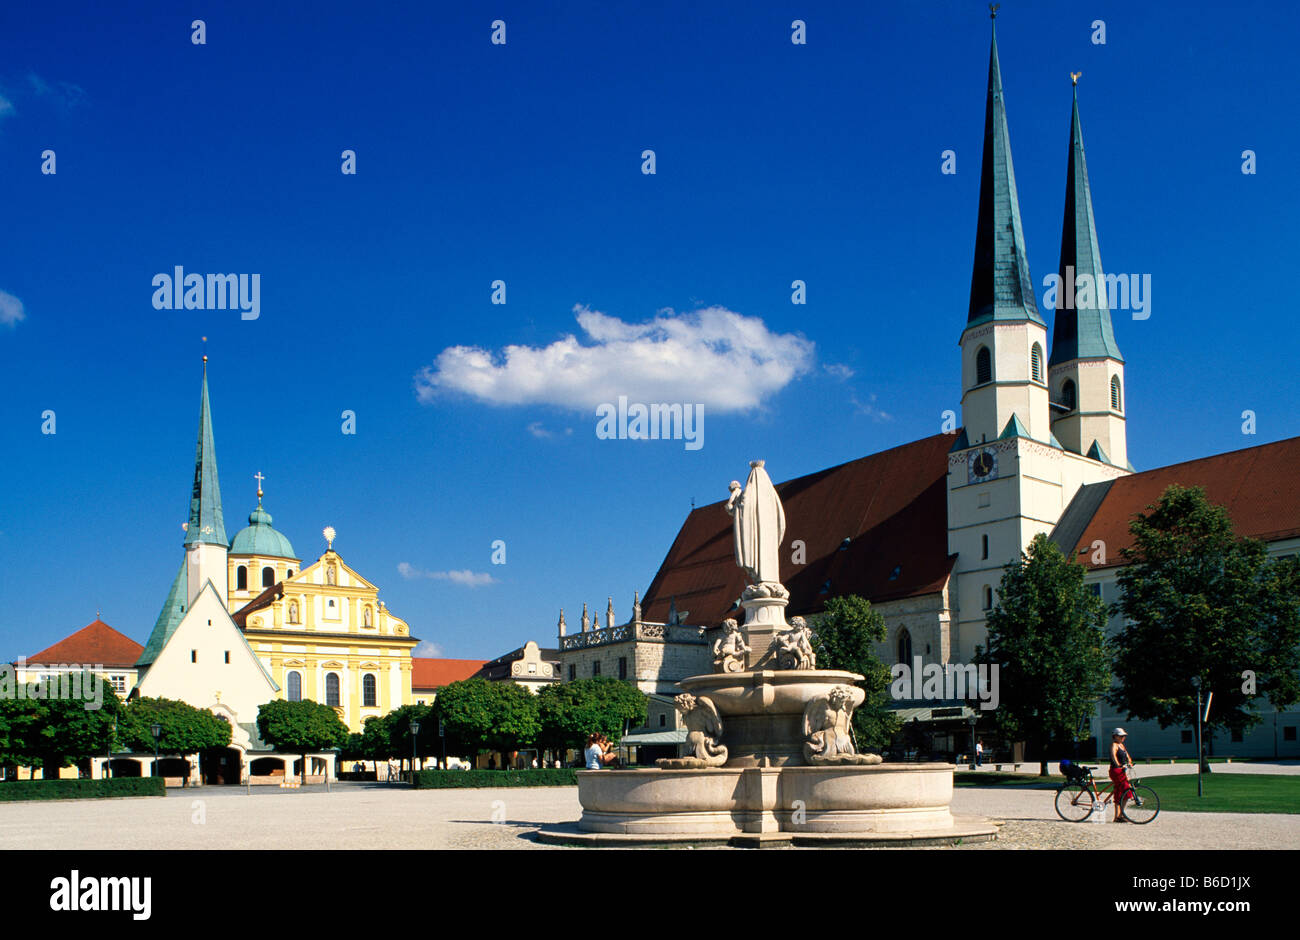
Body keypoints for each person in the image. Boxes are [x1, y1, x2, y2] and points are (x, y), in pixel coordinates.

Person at [1109, 727, 1135, 822]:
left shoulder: (1122, 745)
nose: (1123, 737)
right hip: (1116, 771)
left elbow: (1127, 756)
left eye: (1124, 736)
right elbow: (1113, 756)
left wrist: (1130, 762)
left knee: (1127, 793)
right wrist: (1118, 764)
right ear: (1115, 736)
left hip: (1122, 771)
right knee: (1120, 792)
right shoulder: (1114, 745)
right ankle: (1118, 816)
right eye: (1121, 736)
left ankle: (1121, 814)